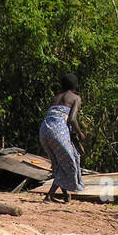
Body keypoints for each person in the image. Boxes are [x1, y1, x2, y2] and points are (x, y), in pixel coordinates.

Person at [39, 73, 84, 203]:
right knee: (72, 162)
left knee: (59, 163)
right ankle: (49, 195)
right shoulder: (76, 97)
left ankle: (65, 195)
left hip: (45, 129)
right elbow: (71, 119)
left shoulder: (56, 97)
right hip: (58, 130)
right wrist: (80, 134)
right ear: (75, 85)